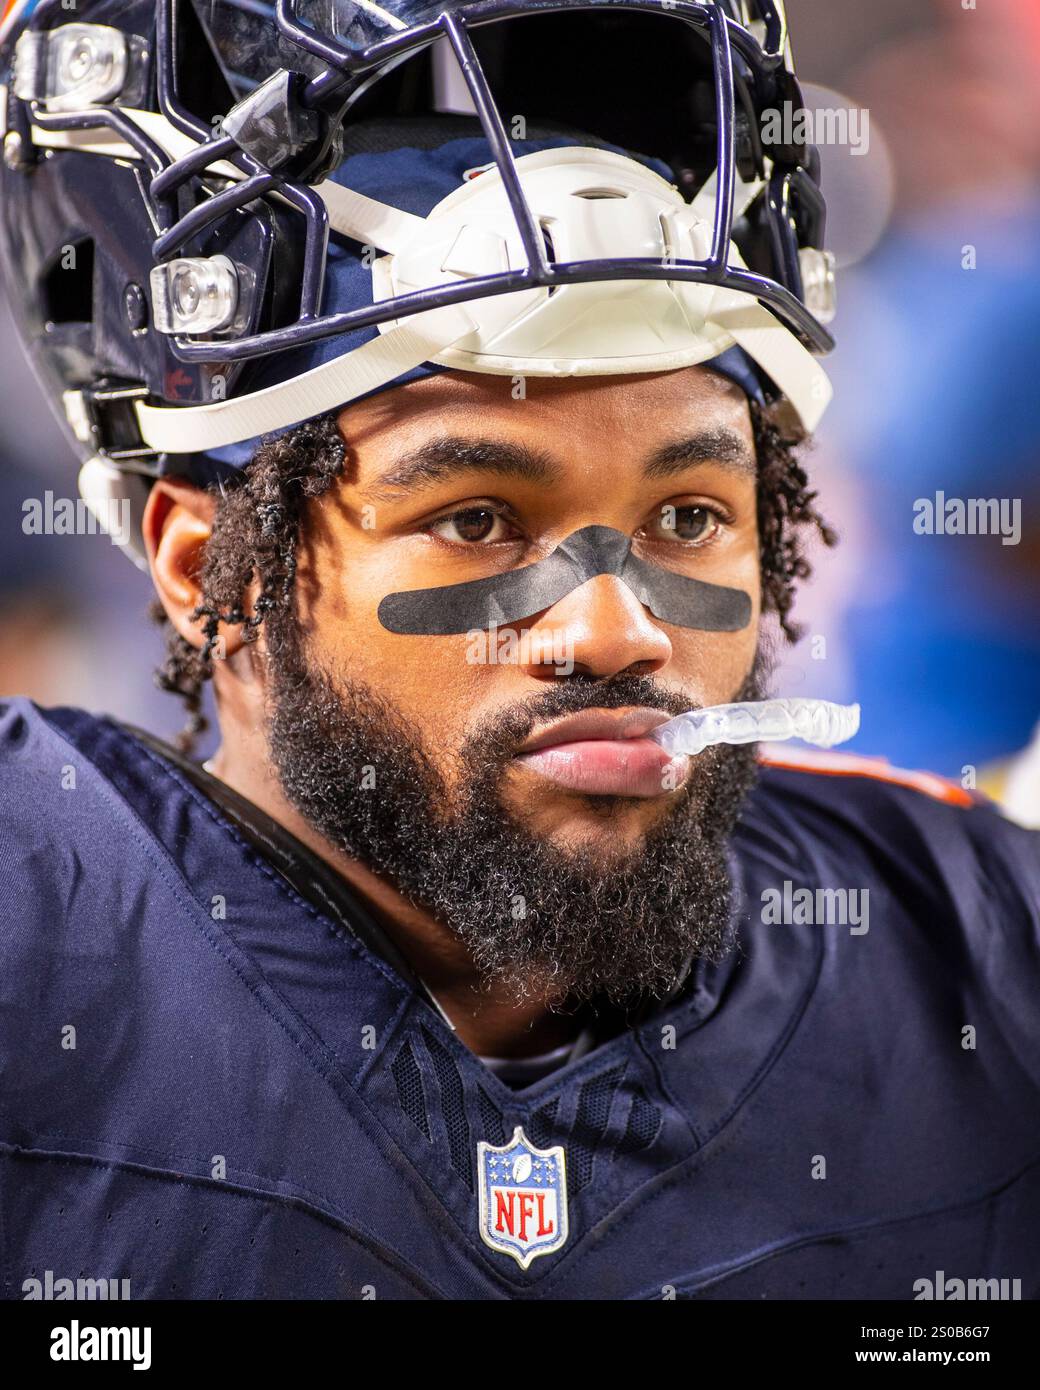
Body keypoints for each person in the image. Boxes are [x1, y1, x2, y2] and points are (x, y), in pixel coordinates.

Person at [0, 0, 1036, 1299]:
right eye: (480, 519)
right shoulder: (43, 943)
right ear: (212, 573)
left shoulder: (977, 958)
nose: (616, 625)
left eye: (688, 515)